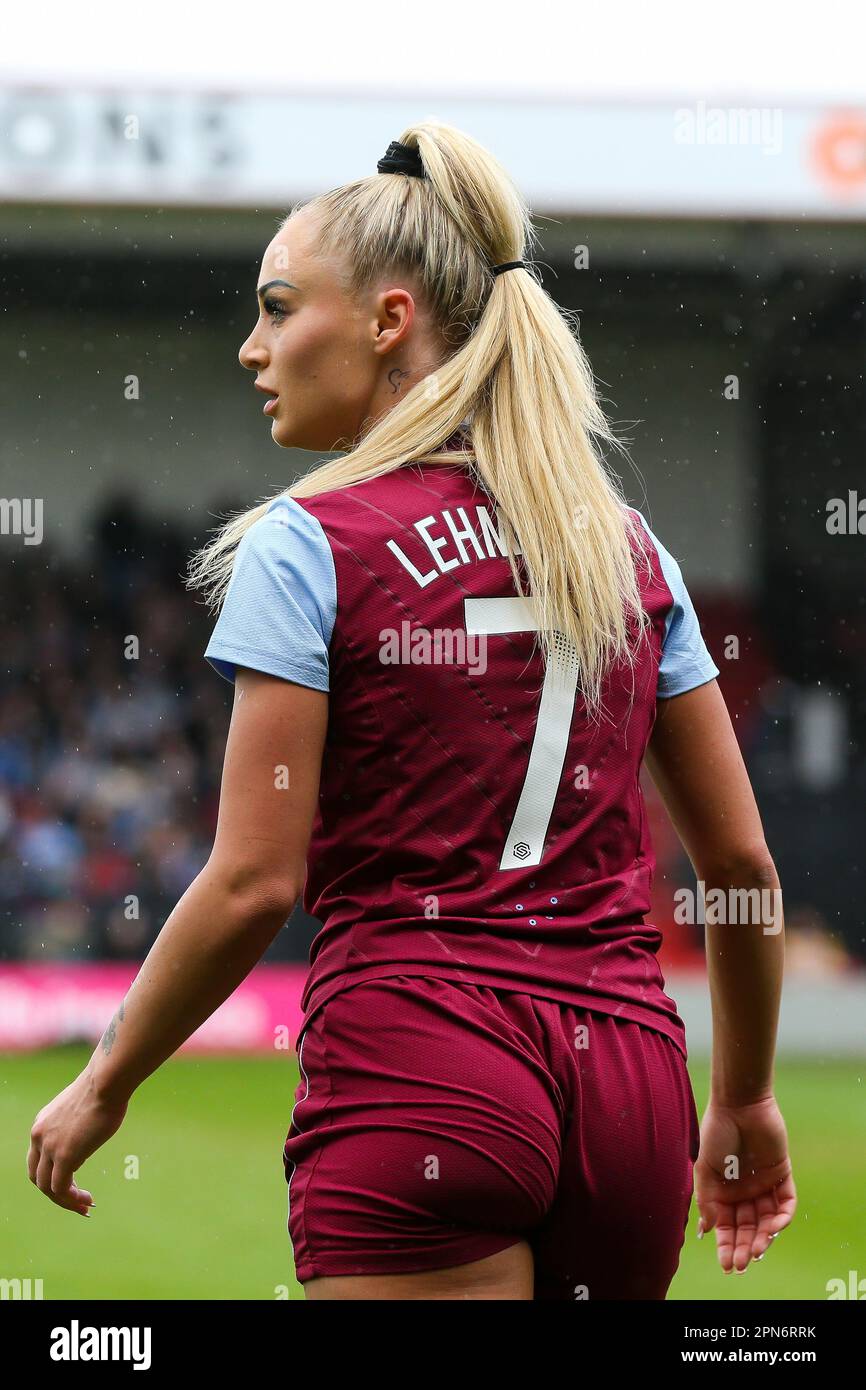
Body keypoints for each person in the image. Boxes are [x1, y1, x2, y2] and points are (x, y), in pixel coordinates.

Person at [27, 121, 796, 1301]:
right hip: (630, 1087)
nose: (252, 346)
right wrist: (741, 1093)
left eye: (279, 307)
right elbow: (739, 860)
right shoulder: (627, 549)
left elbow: (252, 883)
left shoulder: (309, 545)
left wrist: (106, 1078)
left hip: (421, 1061)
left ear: (389, 321)